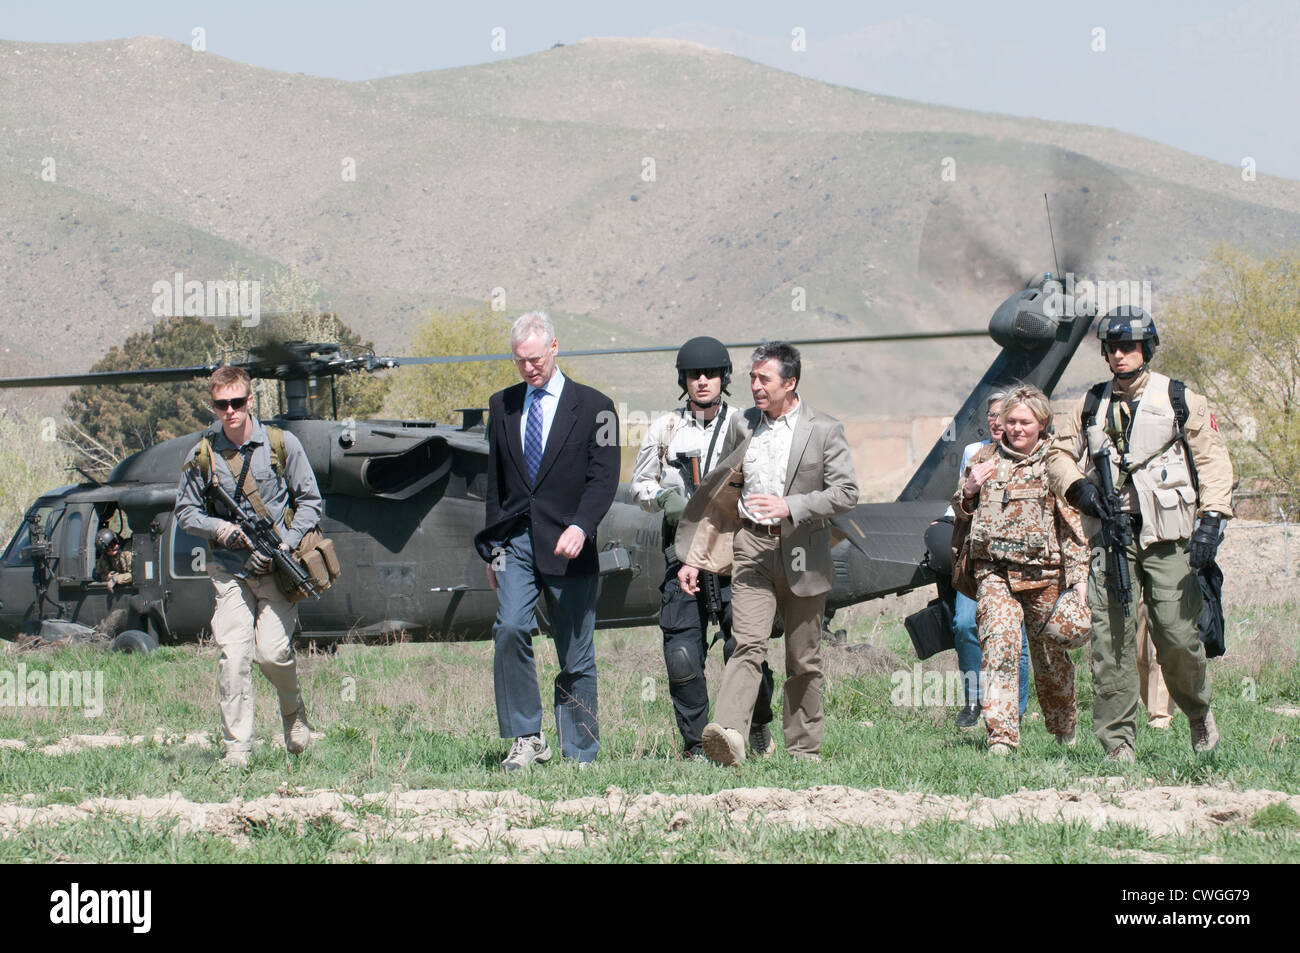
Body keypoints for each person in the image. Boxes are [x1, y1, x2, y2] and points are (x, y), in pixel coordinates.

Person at [1046, 305, 1233, 761]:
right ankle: (1118, 744)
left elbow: (1213, 461)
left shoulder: (1179, 398)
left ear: (1145, 349)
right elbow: (1057, 456)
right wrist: (1080, 491)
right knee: (1110, 643)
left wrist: (1212, 520)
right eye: (1113, 347)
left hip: (1170, 537)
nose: (1121, 354)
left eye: (1129, 346)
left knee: (1176, 637)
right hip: (1112, 537)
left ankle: (1197, 714)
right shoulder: (1089, 404)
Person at [675, 341, 859, 764]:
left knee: (803, 658)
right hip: (751, 546)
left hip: (803, 550)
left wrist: (791, 506)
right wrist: (695, 556)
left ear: (789, 383)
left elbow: (847, 492)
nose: (754, 386)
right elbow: (720, 492)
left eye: (764, 379)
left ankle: (804, 749)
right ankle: (729, 738)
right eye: (753, 377)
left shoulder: (825, 429)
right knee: (745, 643)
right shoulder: (744, 424)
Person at [474, 311, 620, 770]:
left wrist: (581, 526)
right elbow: (495, 485)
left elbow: (603, 478)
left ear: (555, 348)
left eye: (535, 359)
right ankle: (526, 737)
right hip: (515, 542)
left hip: (569, 542)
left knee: (576, 651)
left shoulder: (598, 407)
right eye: (520, 362)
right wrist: (493, 551)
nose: (529, 369)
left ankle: (580, 753)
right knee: (511, 628)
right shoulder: (502, 406)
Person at [630, 336, 776, 759]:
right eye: (694, 375)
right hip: (681, 552)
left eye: (711, 374)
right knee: (681, 655)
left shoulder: (746, 425)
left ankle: (756, 725)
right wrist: (662, 499)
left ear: (724, 378)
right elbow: (641, 483)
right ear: (684, 381)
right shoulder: (665, 429)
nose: (703, 381)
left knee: (742, 647)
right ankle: (697, 747)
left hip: (735, 550)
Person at [175, 366, 321, 767]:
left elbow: (311, 501)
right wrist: (222, 529)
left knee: (272, 654)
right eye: (222, 405)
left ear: (251, 400)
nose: (231, 411)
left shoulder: (280, 444)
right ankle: (237, 749)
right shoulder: (202, 455)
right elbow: (185, 512)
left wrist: (284, 546)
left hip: (277, 570)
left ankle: (293, 711)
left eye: (237, 402)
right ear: (213, 406)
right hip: (229, 571)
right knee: (234, 656)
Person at [954, 384, 1091, 754]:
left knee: (1050, 661)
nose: (1015, 428)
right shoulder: (984, 458)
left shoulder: (1055, 463)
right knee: (999, 646)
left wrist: (1078, 579)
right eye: (1009, 421)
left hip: (1046, 578)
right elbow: (962, 514)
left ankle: (1064, 729)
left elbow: (1072, 526)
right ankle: (1001, 737)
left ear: (1042, 423)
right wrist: (967, 491)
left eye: (1024, 422)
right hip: (995, 574)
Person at [947, 393, 1030, 729]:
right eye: (992, 415)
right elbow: (960, 507)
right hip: (979, 561)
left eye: (1004, 414)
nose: (997, 421)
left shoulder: (1037, 457)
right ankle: (974, 699)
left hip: (1023, 562)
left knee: (1017, 638)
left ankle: (1016, 712)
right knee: (965, 624)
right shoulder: (975, 454)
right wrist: (968, 491)